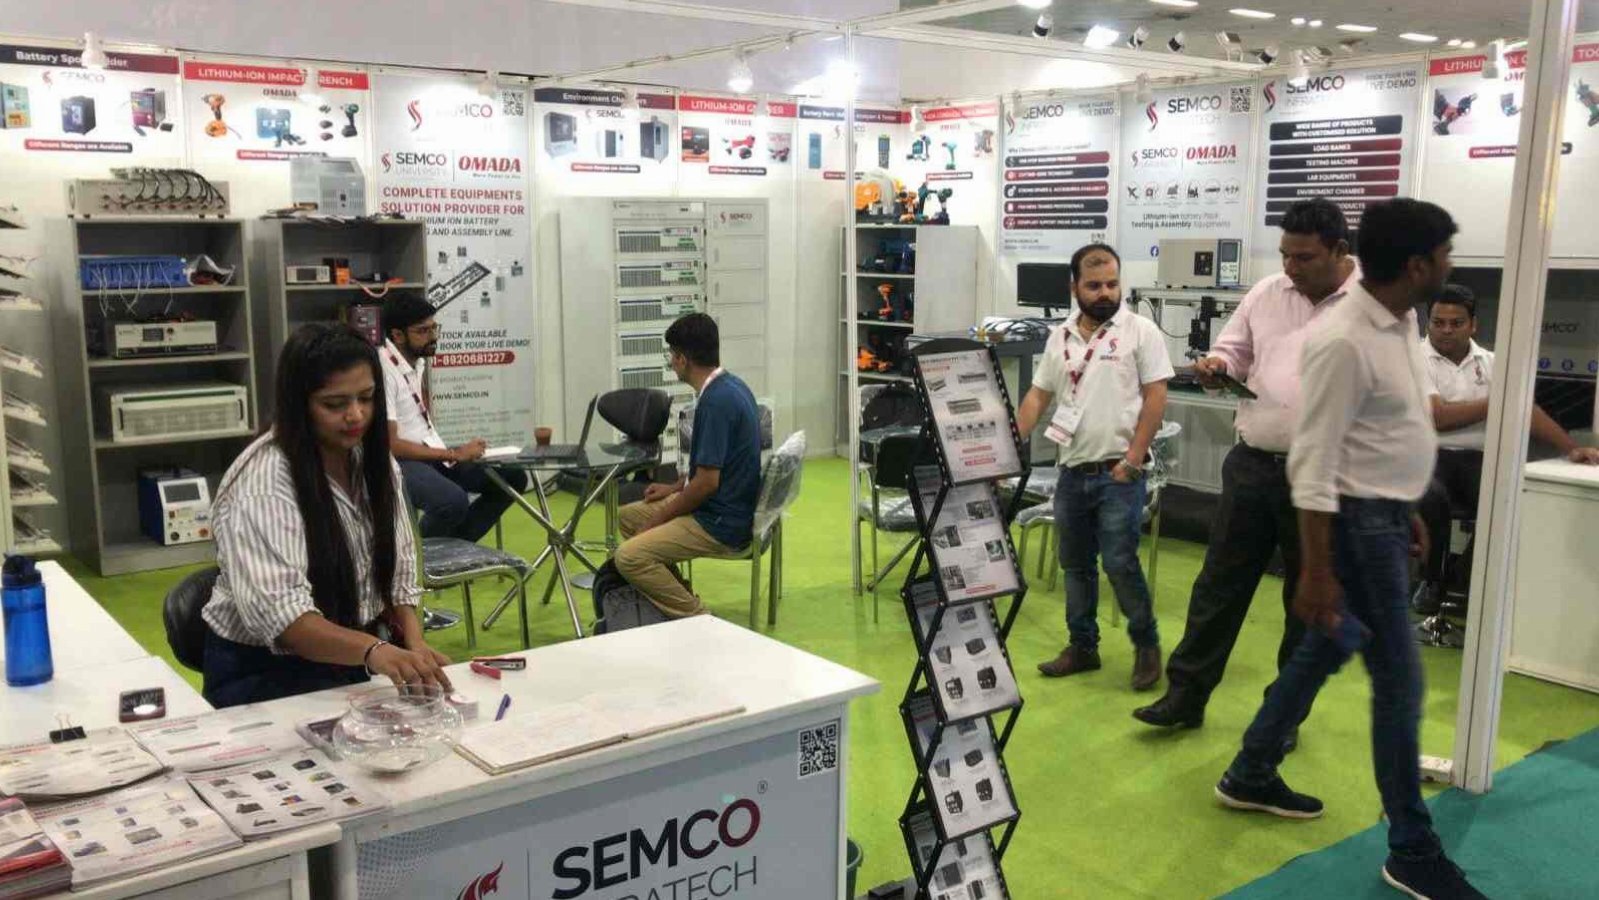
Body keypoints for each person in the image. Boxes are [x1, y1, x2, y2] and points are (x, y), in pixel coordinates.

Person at [1214, 199, 1486, 899]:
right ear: (1418, 264)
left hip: (1383, 517)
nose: (1450, 266)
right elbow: (1312, 462)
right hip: (1356, 529)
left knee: (1322, 652)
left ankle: (1249, 772)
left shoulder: (1397, 320)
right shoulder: (1341, 340)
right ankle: (1412, 848)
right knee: (1400, 685)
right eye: (1445, 255)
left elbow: (1388, 426)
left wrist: (1407, 500)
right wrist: (1314, 570)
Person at [1135, 199, 1359, 742]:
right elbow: (1233, 351)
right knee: (1219, 586)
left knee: (1307, 602)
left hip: (1327, 477)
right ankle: (1186, 696)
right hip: (1253, 465)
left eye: (1304, 258)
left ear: (1339, 251)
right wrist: (1218, 366)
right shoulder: (1267, 292)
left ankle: (1283, 716)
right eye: (1285, 255)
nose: (1290, 267)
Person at [202, 324, 453, 708]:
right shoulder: (264, 483)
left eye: (366, 398)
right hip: (263, 673)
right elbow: (288, 621)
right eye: (334, 404)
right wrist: (376, 651)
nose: (356, 415)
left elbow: (399, 570)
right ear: (299, 404)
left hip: (354, 653)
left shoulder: (373, 460)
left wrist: (413, 643)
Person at [1015, 243, 1174, 689]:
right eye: (1094, 285)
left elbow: (1156, 397)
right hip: (1072, 473)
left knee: (1120, 563)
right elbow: (1038, 397)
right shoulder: (1060, 337)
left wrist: (1134, 458)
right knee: (1075, 565)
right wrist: (1007, 447)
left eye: (1112, 284)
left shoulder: (1140, 332)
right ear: (1075, 288)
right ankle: (1083, 646)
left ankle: (1146, 644)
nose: (1105, 293)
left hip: (1120, 473)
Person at [1417, 284, 1599, 605]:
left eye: (1456, 323)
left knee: (1510, 498)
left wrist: (1571, 448)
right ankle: (1431, 581)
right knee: (1432, 500)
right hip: (1426, 457)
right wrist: (1498, 401)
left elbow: (1527, 409)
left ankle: (1468, 580)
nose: (1445, 330)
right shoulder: (1413, 357)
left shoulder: (1494, 362)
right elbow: (1439, 417)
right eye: (1438, 322)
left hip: (1479, 458)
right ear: (1428, 323)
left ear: (1473, 325)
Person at [613, 313, 762, 618]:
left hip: (720, 523)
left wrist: (655, 523)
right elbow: (715, 466)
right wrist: (674, 487)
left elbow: (706, 484)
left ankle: (698, 618)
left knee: (629, 557)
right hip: (728, 507)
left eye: (671, 355)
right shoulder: (731, 386)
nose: (670, 362)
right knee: (628, 517)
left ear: (682, 359)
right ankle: (678, 593)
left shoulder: (715, 403)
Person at [380, 295, 528, 542]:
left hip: (428, 453)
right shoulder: (383, 369)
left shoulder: (416, 362)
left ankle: (454, 548)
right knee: (452, 501)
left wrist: (451, 454)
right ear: (397, 335)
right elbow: (391, 444)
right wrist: (454, 454)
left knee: (512, 478)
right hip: (398, 462)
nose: (433, 337)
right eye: (423, 331)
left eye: (434, 328)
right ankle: (416, 557)